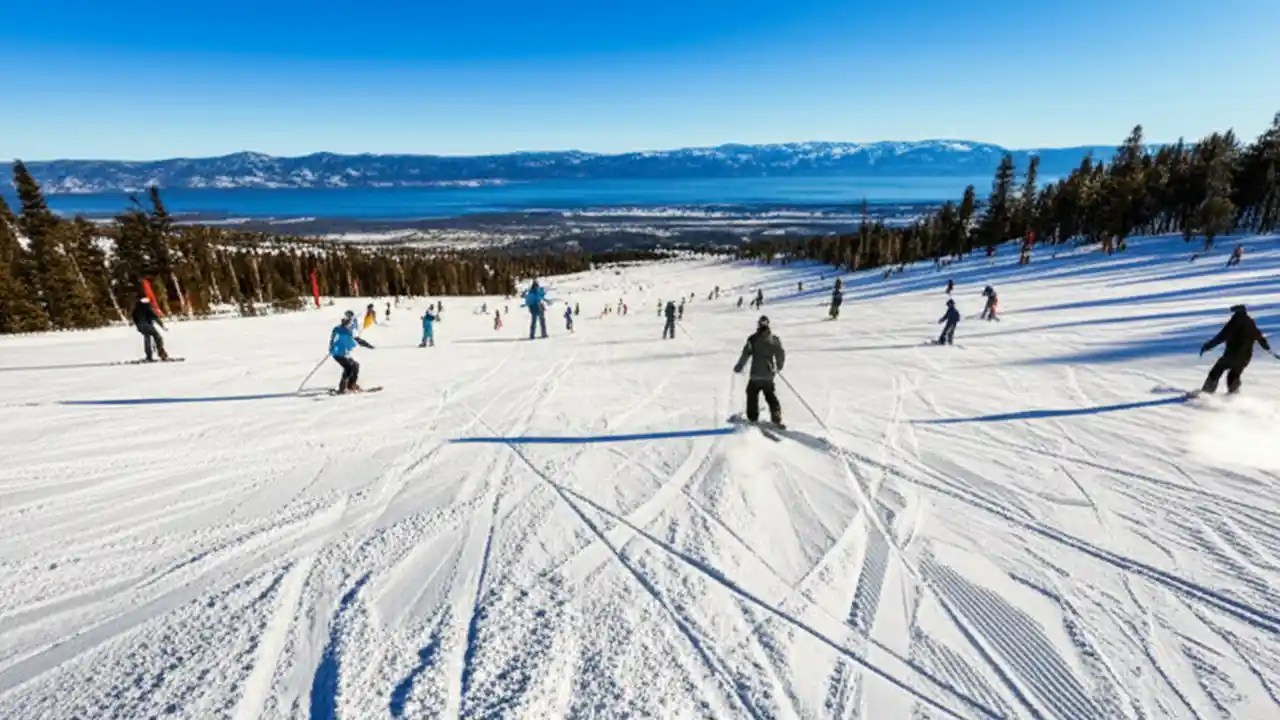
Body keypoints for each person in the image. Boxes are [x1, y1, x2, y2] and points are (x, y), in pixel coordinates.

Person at [1200, 304, 1271, 394]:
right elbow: (1260, 338)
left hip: (1232, 355)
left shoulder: (1236, 321)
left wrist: (1208, 346)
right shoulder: (1250, 323)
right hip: (1245, 357)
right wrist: (1267, 348)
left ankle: (1206, 393)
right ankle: (1233, 397)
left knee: (1217, 370)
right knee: (1234, 375)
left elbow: (1223, 335)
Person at [734, 315, 786, 425]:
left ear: (758, 325)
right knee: (770, 394)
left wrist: (739, 366)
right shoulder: (774, 339)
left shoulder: (752, 339)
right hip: (768, 373)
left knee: (752, 392)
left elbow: (746, 354)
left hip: (756, 374)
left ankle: (753, 417)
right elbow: (780, 353)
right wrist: (778, 366)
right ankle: (776, 415)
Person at [331, 311, 374, 393]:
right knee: (348, 368)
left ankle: (351, 385)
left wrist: (368, 345)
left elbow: (357, 339)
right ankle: (342, 388)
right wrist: (331, 347)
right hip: (337, 353)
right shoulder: (339, 329)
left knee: (355, 365)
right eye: (347, 318)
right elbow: (333, 338)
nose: (349, 320)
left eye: (350, 318)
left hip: (344, 353)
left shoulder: (350, 328)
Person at [131, 297, 169, 361]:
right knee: (158, 337)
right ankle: (162, 354)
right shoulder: (147, 308)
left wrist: (138, 326)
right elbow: (156, 318)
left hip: (141, 326)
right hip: (147, 325)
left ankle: (149, 356)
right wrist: (162, 326)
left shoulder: (136, 309)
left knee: (147, 338)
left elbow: (134, 318)